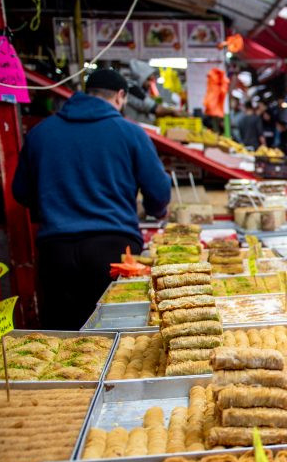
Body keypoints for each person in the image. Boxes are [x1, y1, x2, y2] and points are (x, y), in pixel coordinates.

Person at [12, 68, 171, 329]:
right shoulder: (130, 133)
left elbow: (21, 191)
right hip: (113, 251)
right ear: (120, 96)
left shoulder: (41, 133)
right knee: (116, 335)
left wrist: (54, 209)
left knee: (61, 342)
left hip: (56, 252)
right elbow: (159, 192)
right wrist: (157, 210)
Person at [123, 59, 180, 124]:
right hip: (133, 128)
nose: (150, 83)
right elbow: (155, 109)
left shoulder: (141, 89)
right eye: (149, 79)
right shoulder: (132, 88)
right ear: (141, 77)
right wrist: (172, 112)